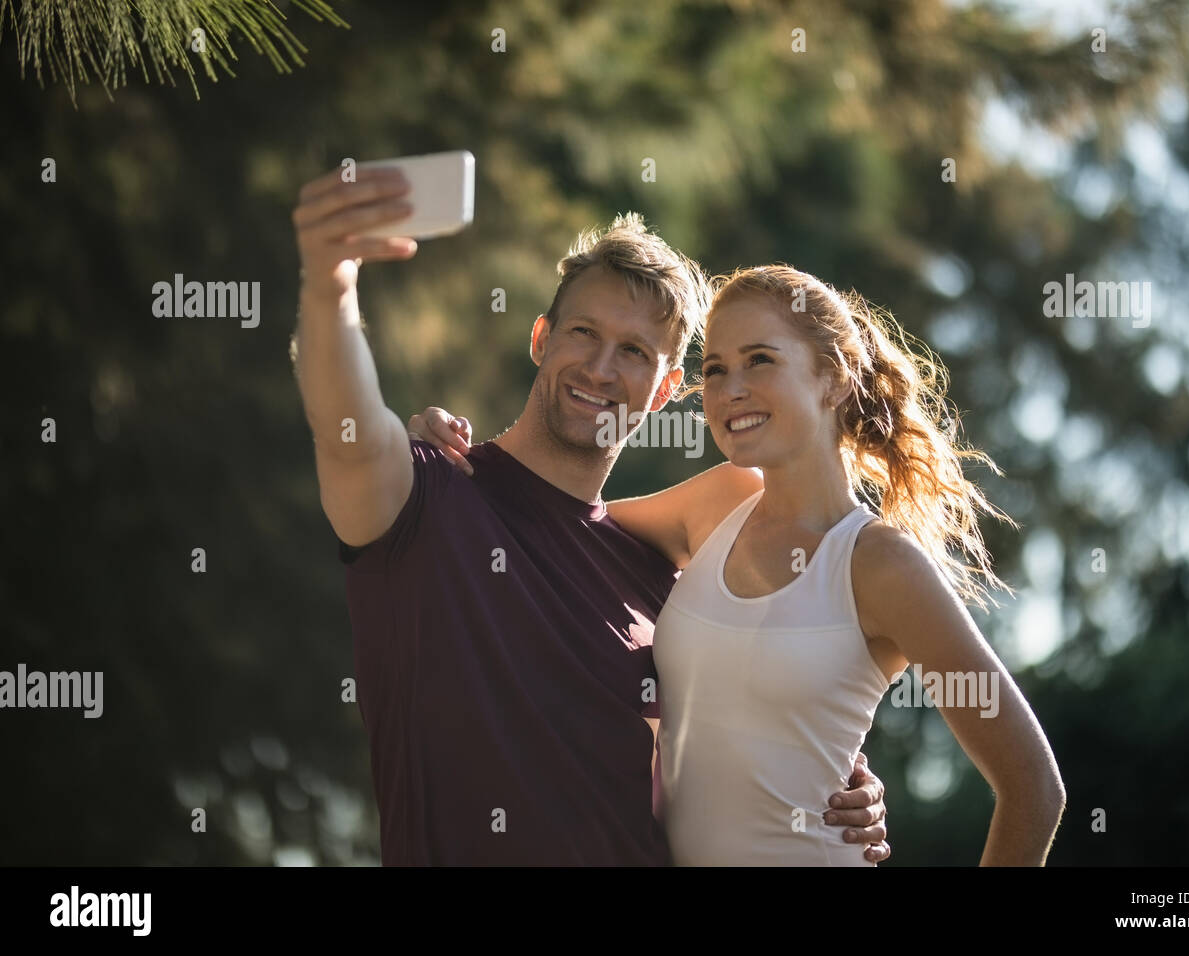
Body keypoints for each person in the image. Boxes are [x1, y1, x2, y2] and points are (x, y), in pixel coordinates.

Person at [290, 164, 889, 865]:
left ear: (665, 389)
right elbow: (346, 429)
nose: (602, 368)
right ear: (542, 339)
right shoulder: (426, 499)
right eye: (583, 333)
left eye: (634, 351)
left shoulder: (670, 584)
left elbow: (752, 737)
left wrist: (845, 779)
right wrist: (329, 287)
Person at [416, 264, 1067, 865]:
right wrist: (439, 456)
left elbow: (1033, 787)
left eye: (760, 360)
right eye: (718, 369)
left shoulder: (881, 565)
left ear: (834, 376)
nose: (732, 390)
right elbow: (558, 524)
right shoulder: (718, 502)